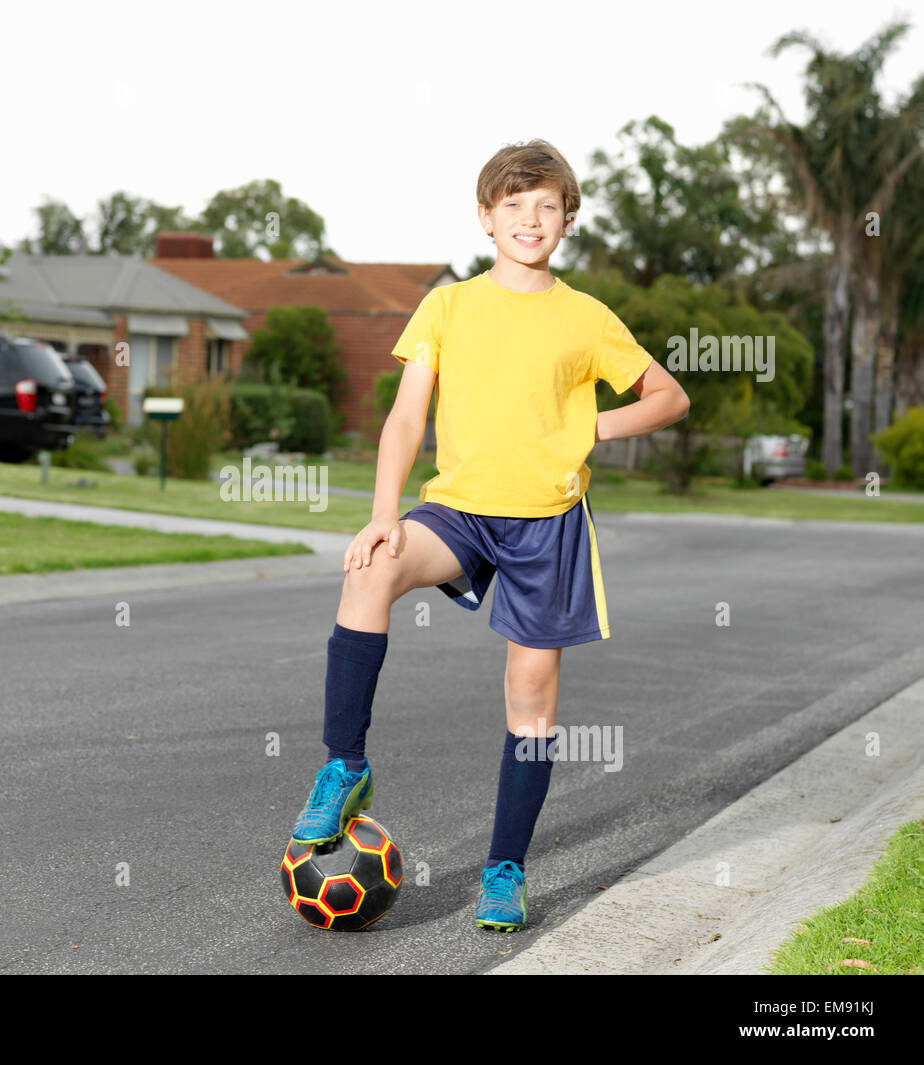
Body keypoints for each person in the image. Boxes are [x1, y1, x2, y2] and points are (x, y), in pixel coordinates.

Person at [289, 139, 690, 931]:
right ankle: (345, 766)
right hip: (459, 510)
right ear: (486, 217)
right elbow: (407, 414)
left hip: (548, 523)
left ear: (567, 218)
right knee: (371, 569)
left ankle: (504, 868)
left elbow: (668, 396)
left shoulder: (585, 316)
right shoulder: (448, 305)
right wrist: (382, 512)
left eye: (546, 206)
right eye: (514, 206)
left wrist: (589, 426)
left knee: (531, 704)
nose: (530, 220)